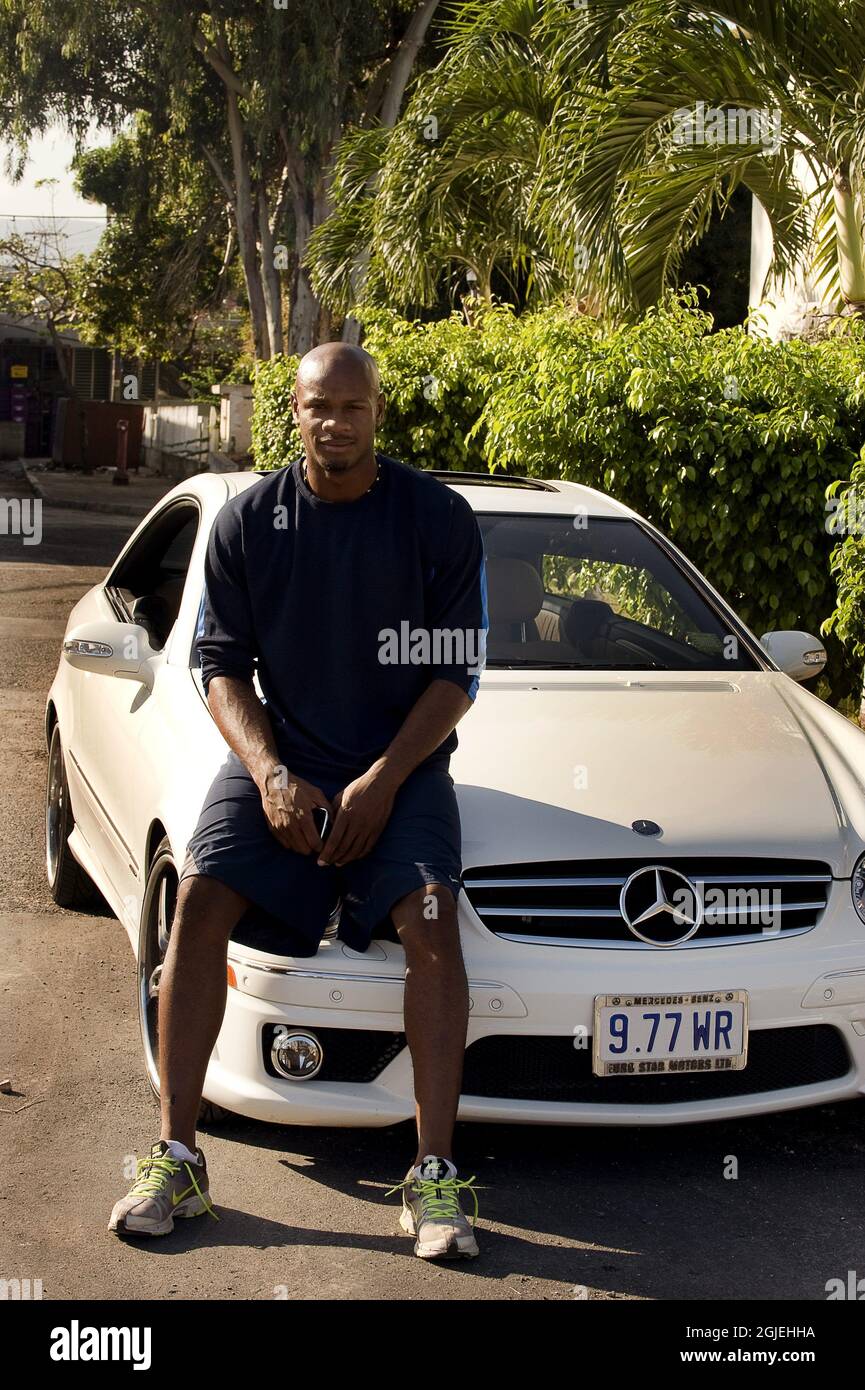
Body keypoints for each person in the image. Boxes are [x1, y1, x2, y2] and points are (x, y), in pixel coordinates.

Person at [108, 342, 489, 1261]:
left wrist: (382, 781)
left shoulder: (435, 519)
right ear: (296, 410)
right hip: (286, 755)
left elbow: (455, 675)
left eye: (352, 408)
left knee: (433, 920)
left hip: (402, 766)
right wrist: (272, 774)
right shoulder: (246, 523)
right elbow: (217, 664)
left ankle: (434, 1177)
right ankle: (176, 1156)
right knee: (199, 898)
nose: (336, 423)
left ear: (377, 415)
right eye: (320, 406)